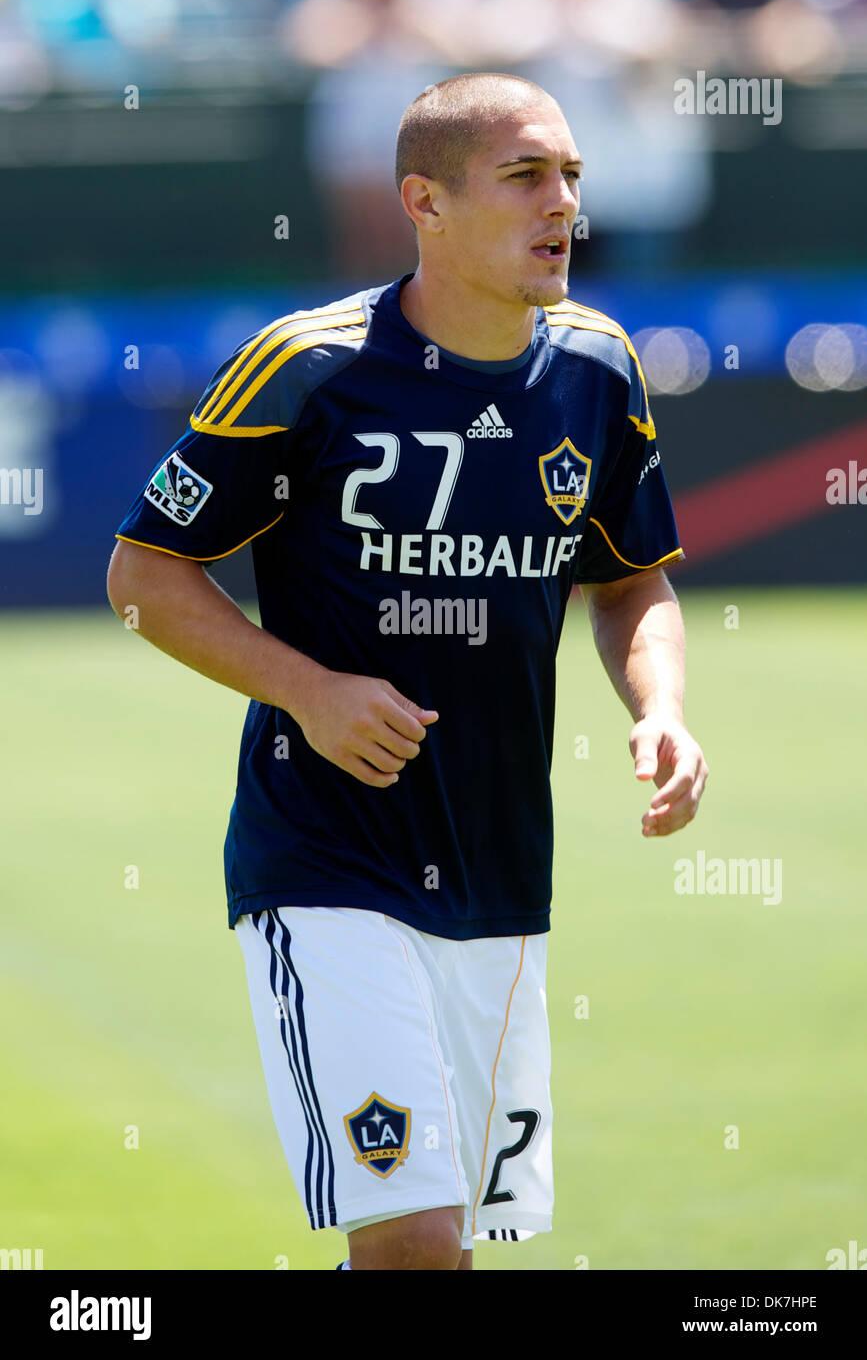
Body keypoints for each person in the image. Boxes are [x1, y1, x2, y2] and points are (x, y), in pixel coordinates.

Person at [106, 72, 709, 1271]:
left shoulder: (599, 367)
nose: (566, 208)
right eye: (528, 176)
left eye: (574, 178)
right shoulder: (306, 365)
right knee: (419, 1241)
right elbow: (146, 575)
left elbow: (632, 581)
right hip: (327, 863)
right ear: (423, 203)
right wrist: (310, 690)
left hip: (499, 873)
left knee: (437, 1254)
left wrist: (665, 709)